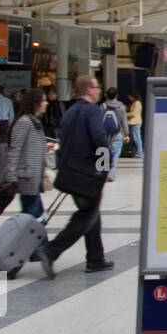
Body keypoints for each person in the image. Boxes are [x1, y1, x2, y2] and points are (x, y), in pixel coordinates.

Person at [38, 76, 114, 277]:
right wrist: (105, 166)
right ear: (89, 90)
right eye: (97, 87)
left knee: (91, 214)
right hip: (87, 172)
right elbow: (99, 138)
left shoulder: (70, 112)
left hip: (70, 171)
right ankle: (51, 250)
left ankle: (96, 259)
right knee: (86, 216)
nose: (99, 91)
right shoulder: (91, 110)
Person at [5, 88, 49, 218]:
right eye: (44, 100)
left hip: (33, 178)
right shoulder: (24, 122)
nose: (47, 103)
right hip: (27, 177)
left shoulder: (34, 122)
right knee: (32, 219)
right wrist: (11, 177)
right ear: (36, 103)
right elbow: (15, 150)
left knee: (35, 218)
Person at [100, 88, 129, 182]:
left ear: (106, 95)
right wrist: (126, 134)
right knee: (115, 155)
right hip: (117, 133)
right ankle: (111, 175)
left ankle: (104, 175)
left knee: (104, 153)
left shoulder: (103, 106)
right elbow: (124, 121)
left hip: (104, 134)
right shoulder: (121, 106)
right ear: (117, 95)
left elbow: (99, 121)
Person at [127, 91, 144, 158]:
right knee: (135, 138)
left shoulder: (137, 103)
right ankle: (138, 152)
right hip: (133, 122)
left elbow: (133, 113)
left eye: (129, 96)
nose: (129, 98)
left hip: (136, 123)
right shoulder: (134, 103)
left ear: (132, 96)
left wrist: (125, 115)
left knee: (137, 138)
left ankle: (139, 153)